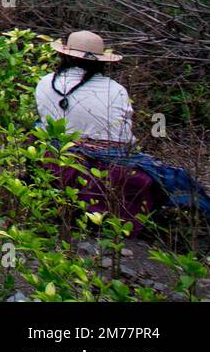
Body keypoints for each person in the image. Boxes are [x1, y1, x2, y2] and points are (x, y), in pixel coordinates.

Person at [36, 30, 210, 231]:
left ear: (65, 56)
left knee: (39, 130)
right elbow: (124, 131)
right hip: (113, 158)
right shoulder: (115, 89)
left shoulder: (46, 82)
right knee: (173, 176)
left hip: (63, 154)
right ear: (101, 62)